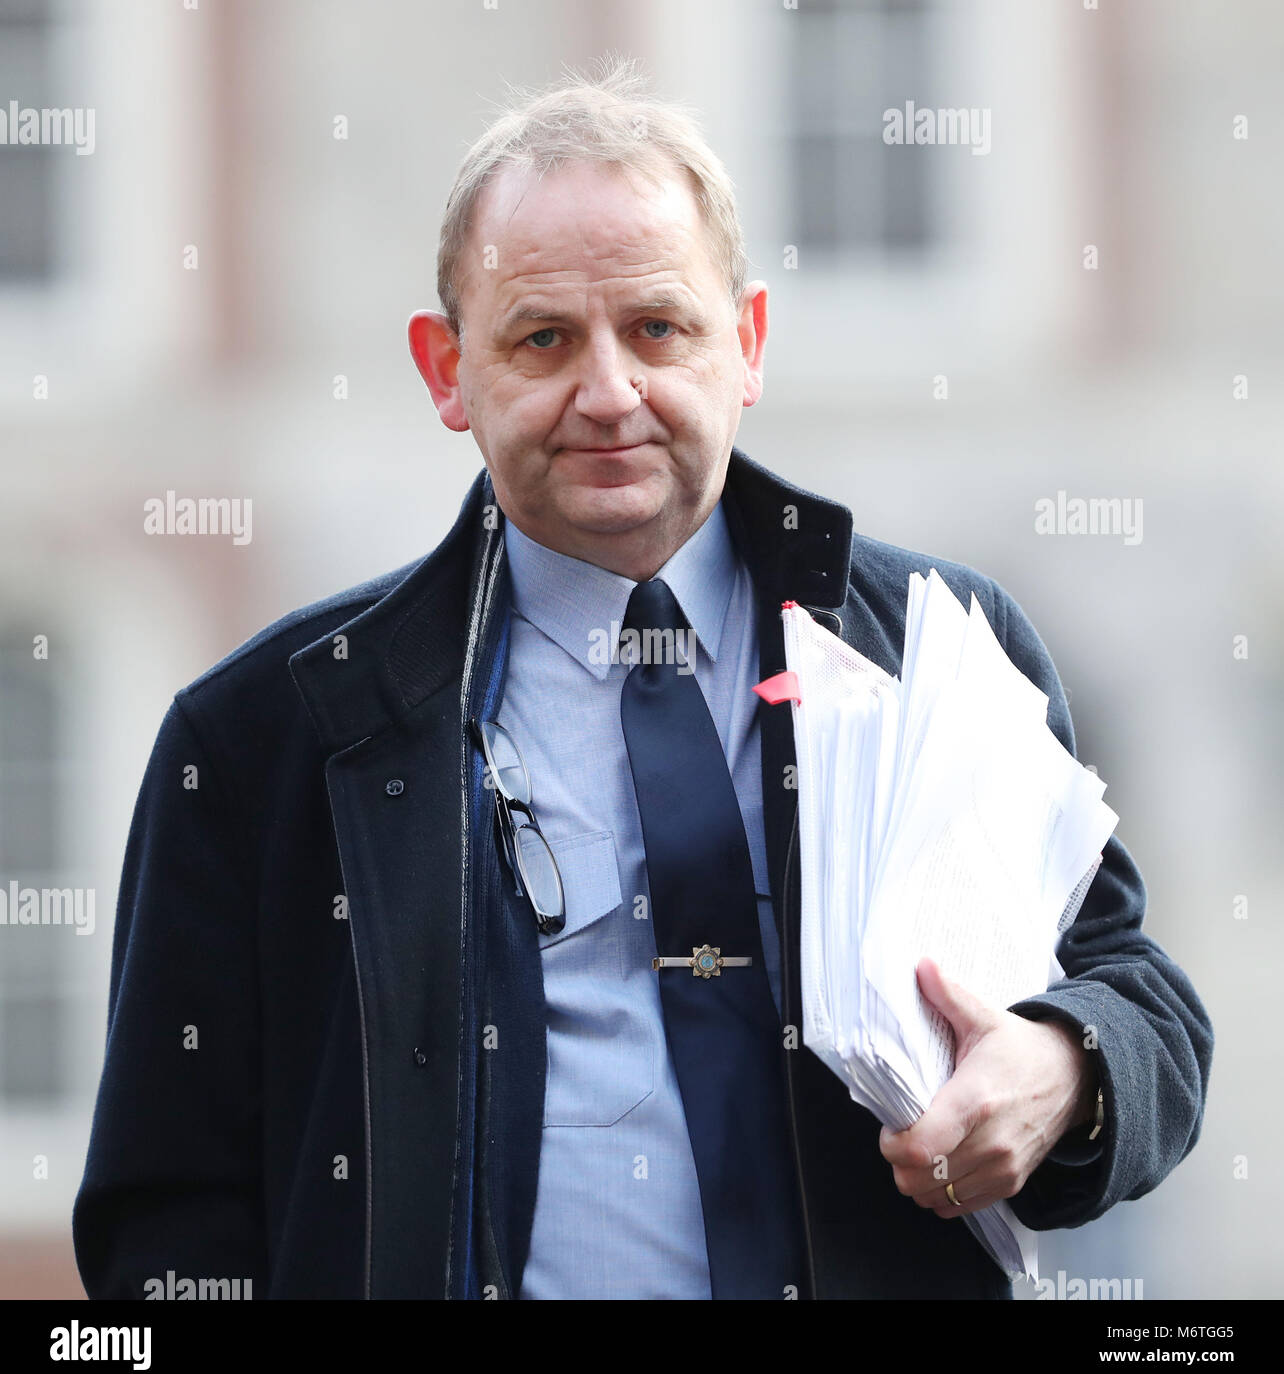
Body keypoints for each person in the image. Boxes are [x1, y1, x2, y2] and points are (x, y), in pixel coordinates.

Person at [73, 61, 1212, 1301]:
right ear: (448, 370)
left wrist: (1066, 1064)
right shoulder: (262, 737)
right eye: (544, 338)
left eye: (659, 328)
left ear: (749, 343)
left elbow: (1142, 1000)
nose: (609, 394)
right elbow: (166, 1218)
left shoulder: (944, 644)